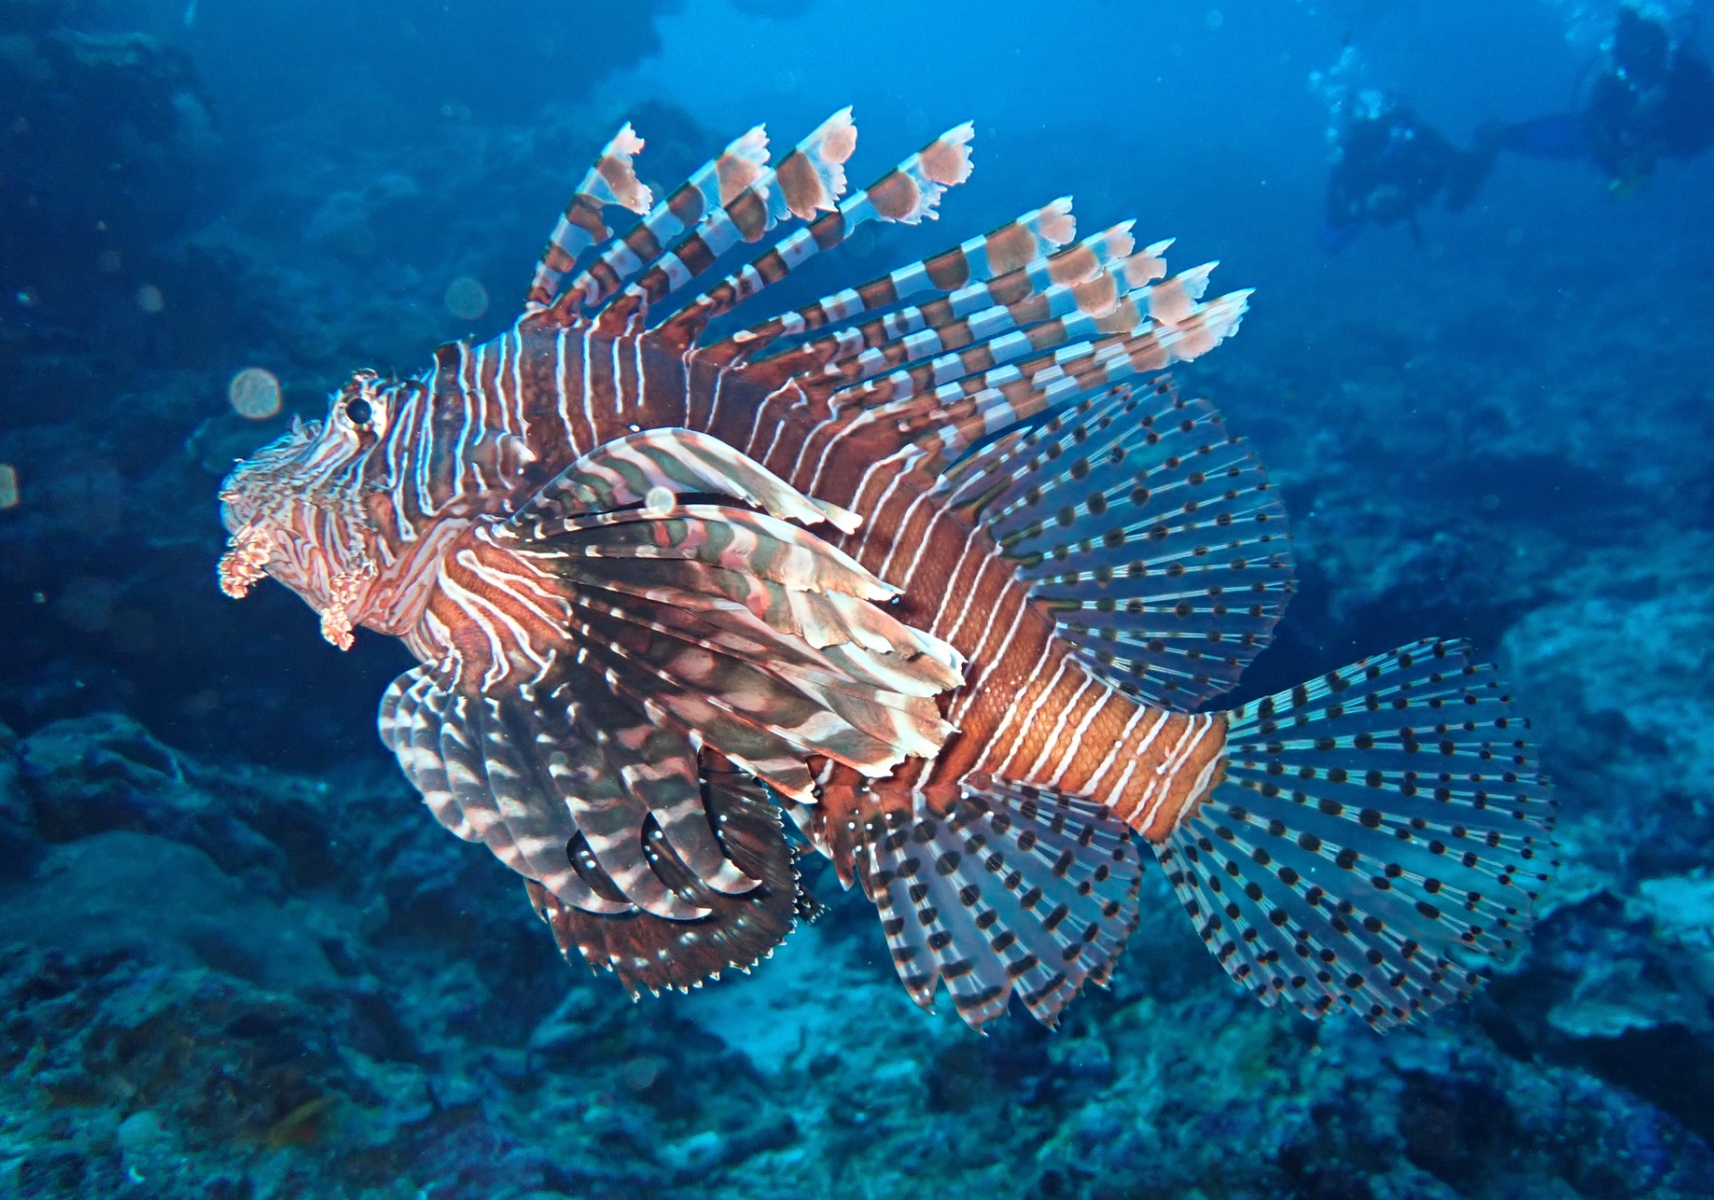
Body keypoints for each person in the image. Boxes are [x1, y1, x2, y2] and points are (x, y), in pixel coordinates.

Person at [1497, 5, 1714, 194]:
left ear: (1664, 43)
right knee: (1578, 135)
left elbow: (1705, 128)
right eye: (1633, 47)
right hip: (1639, 134)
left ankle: (1508, 137)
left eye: (1650, 45)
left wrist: (1659, 146)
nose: (1643, 58)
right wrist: (1619, 165)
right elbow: (1589, 130)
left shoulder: (1690, 70)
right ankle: (1508, 137)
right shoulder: (1612, 79)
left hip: (1681, 130)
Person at [1323, 94, 1496, 247]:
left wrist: (1454, 181)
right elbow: (1333, 226)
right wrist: (1366, 205)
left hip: (1425, 180)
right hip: (1413, 191)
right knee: (1463, 186)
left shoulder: (1409, 135)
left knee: (1465, 187)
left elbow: (1453, 161)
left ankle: (1499, 135)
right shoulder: (1347, 159)